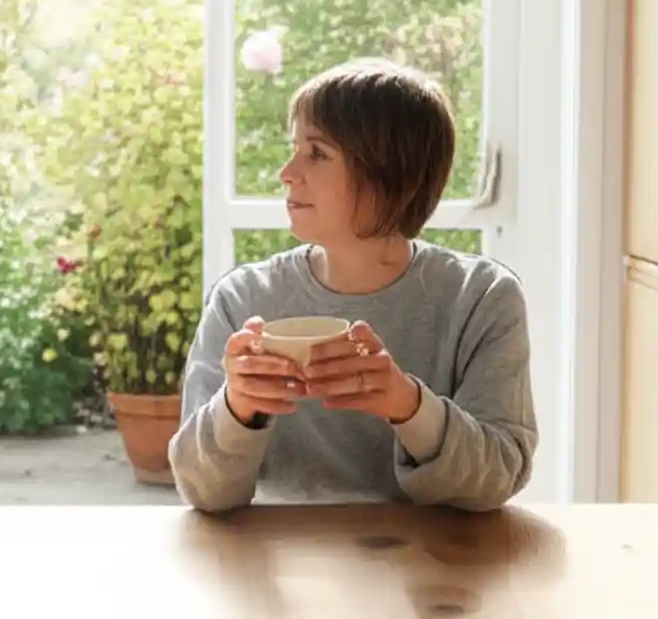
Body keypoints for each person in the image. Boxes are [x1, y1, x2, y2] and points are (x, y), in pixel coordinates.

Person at [167, 58, 537, 513]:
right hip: (273, 562)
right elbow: (201, 493)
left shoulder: (481, 298)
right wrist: (237, 407)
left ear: (389, 175)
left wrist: (408, 405)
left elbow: (497, 478)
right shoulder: (241, 300)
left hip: (437, 568)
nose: (287, 172)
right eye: (294, 148)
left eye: (317, 153)